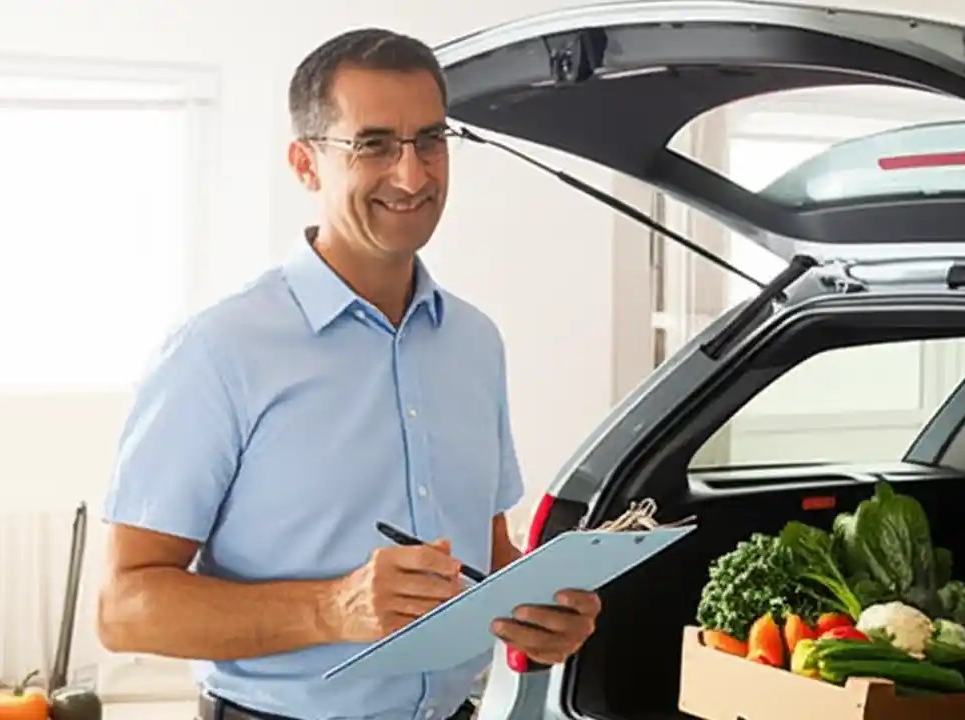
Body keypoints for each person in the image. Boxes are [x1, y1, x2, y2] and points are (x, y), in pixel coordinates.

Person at [95, 27, 602, 720]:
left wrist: (539, 612)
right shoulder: (218, 351)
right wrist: (332, 607)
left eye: (430, 140)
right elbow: (126, 609)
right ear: (306, 165)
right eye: (373, 145)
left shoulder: (475, 343)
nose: (412, 174)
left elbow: (488, 554)